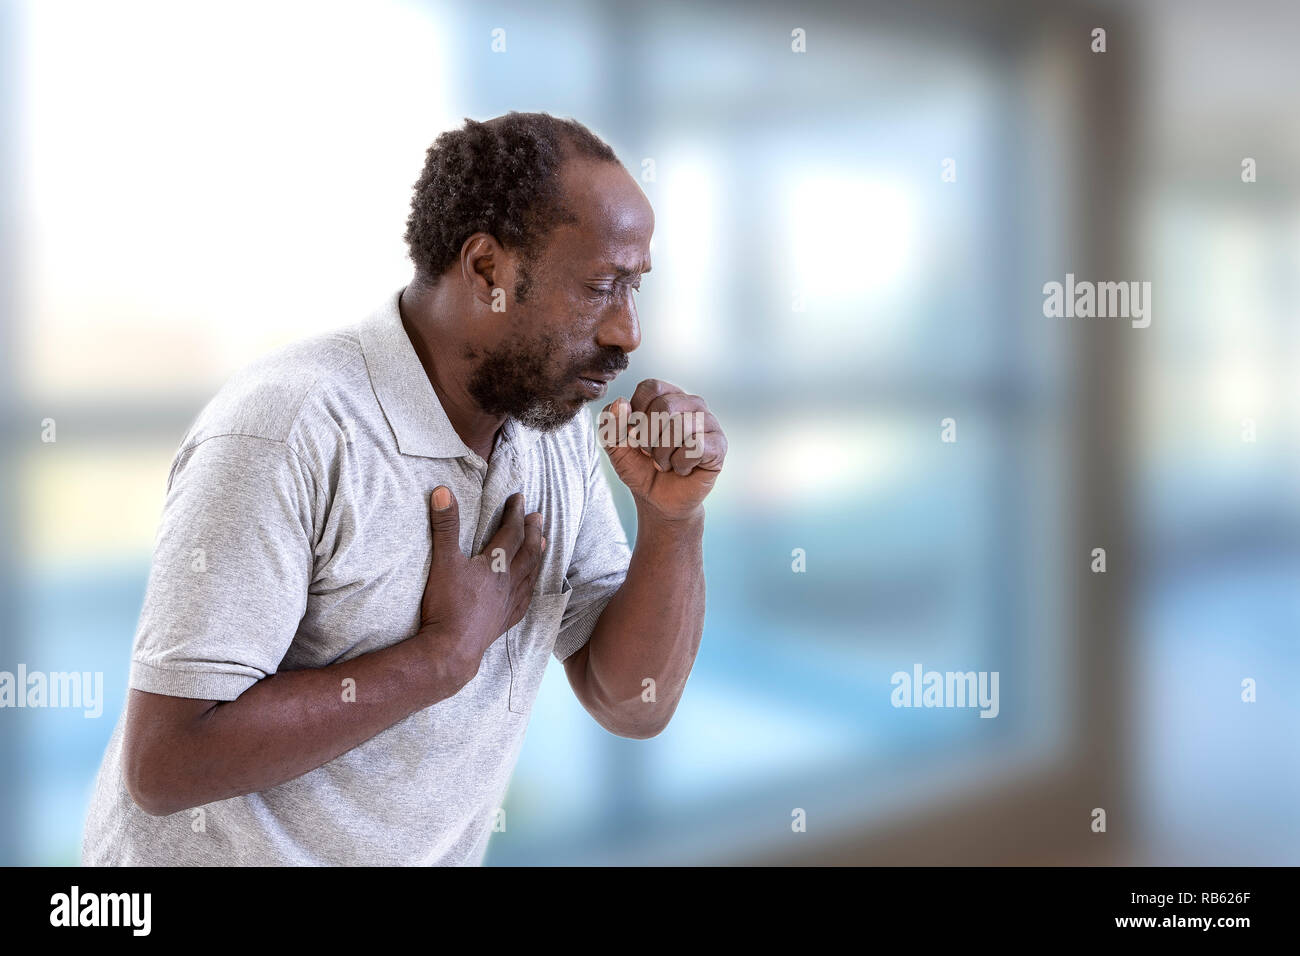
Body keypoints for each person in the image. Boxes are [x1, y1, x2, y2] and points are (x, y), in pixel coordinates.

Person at [81, 111, 727, 865]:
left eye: (635, 287)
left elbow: (631, 701)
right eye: (599, 287)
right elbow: (165, 764)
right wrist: (441, 659)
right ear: (487, 270)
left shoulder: (554, 432)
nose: (628, 332)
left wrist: (670, 523)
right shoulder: (290, 430)